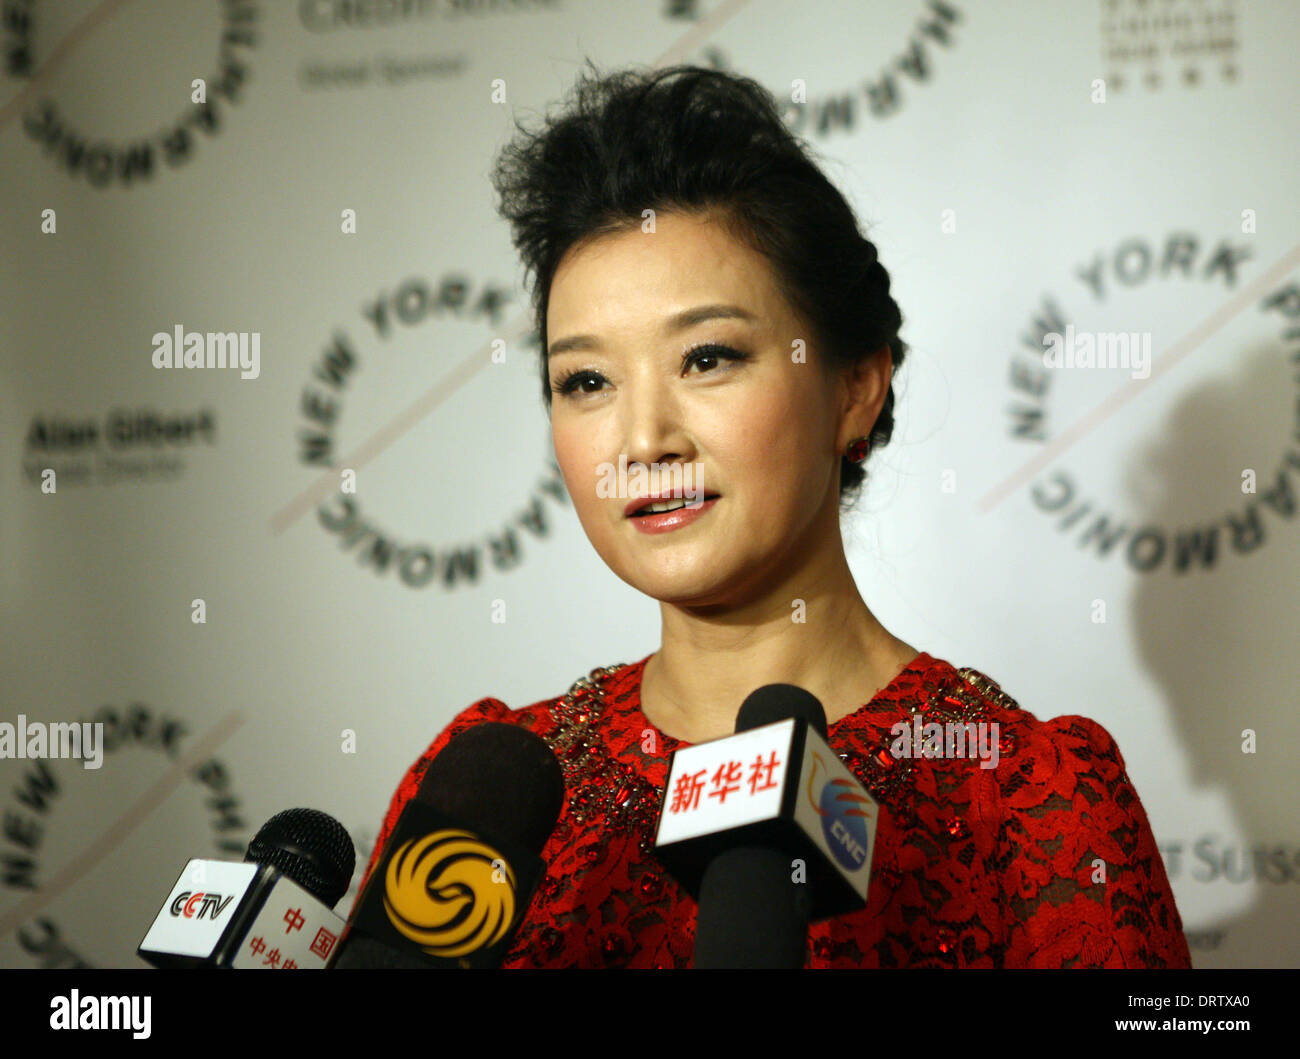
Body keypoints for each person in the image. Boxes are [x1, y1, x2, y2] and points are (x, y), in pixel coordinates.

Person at [355, 62, 1191, 968]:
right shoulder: (490, 796)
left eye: (708, 358)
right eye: (586, 380)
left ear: (855, 390)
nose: (643, 439)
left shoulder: (1026, 798)